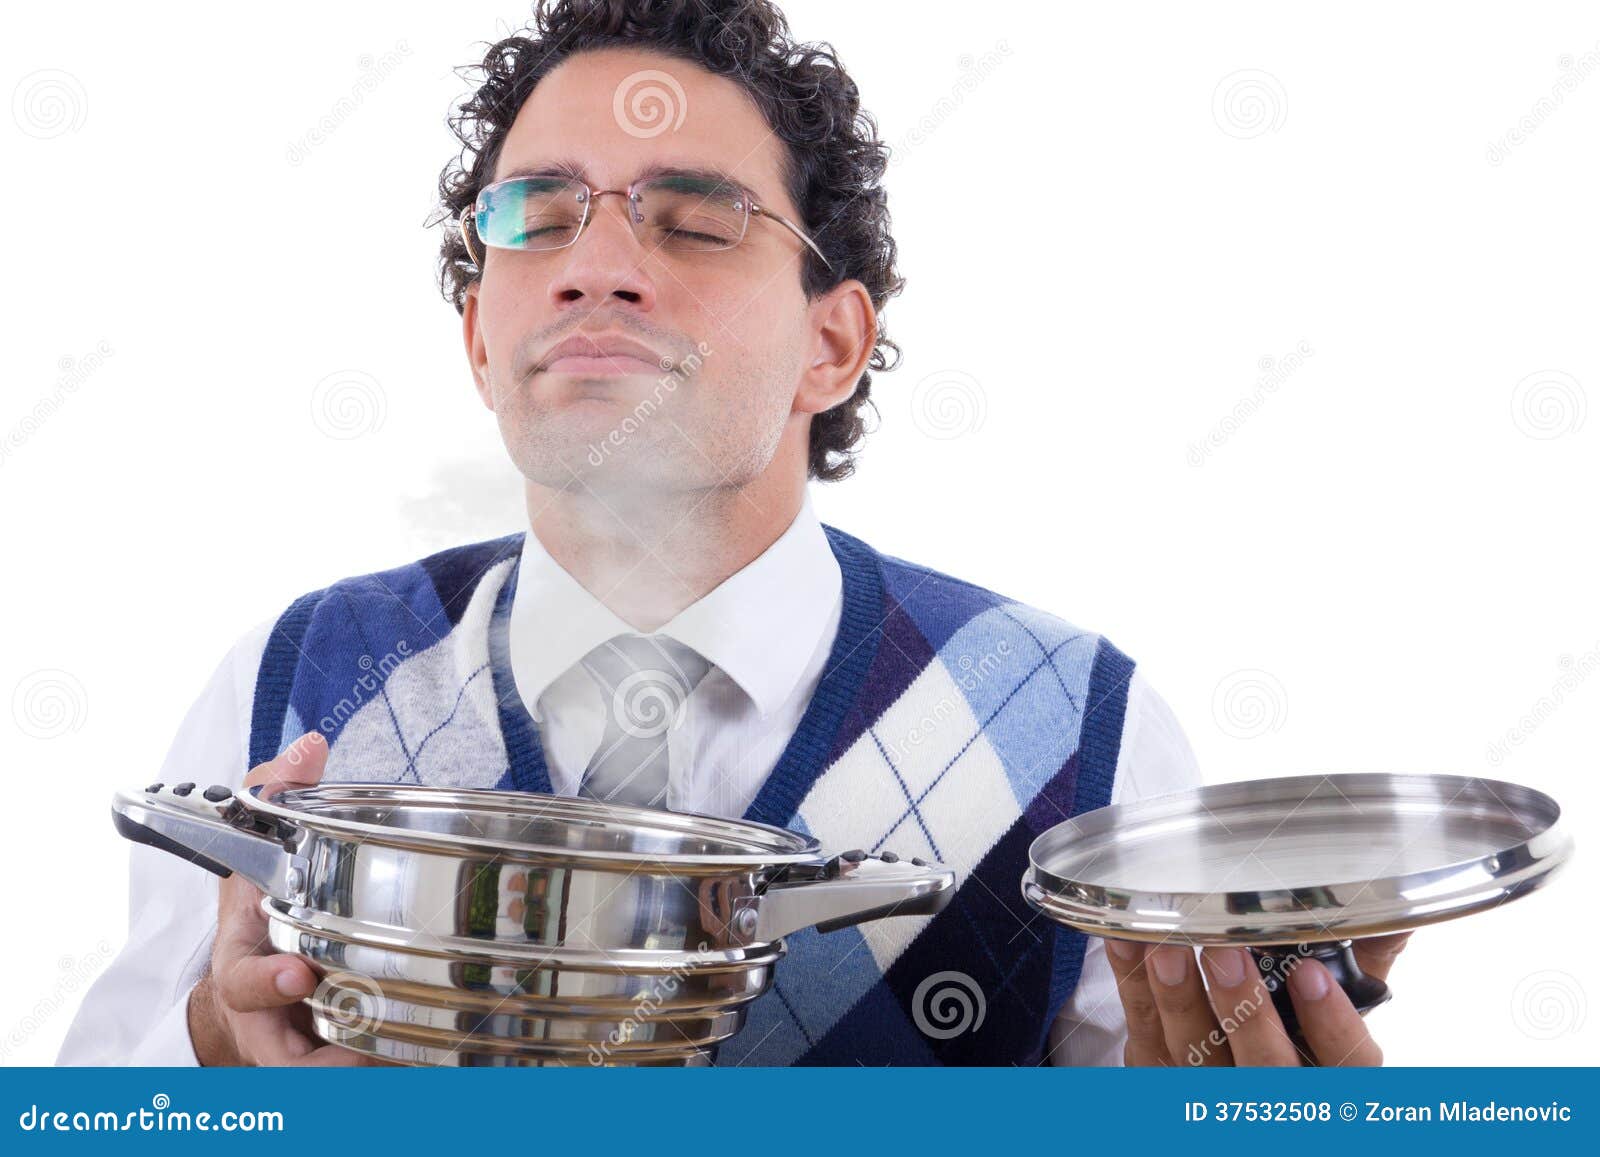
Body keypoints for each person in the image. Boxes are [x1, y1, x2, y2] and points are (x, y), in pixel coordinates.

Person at [57, 0, 1403, 1068]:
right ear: (480, 338)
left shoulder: (1074, 730)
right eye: (537, 216)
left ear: (834, 344)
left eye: (693, 217)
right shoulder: (293, 686)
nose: (596, 262)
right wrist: (211, 1056)